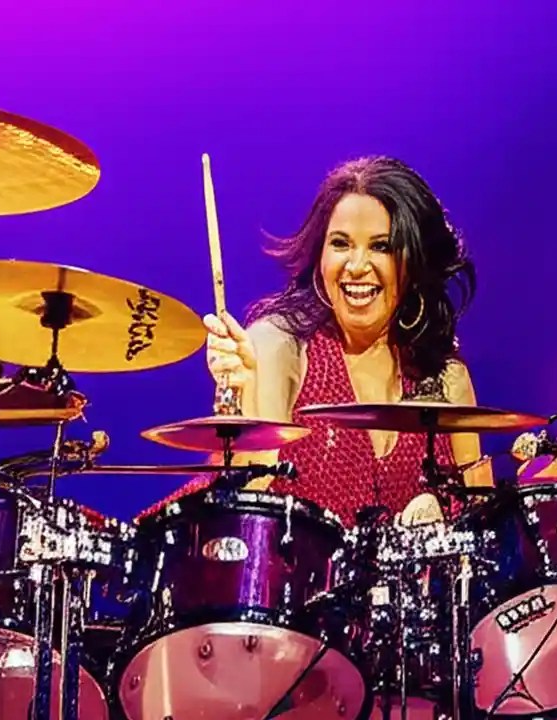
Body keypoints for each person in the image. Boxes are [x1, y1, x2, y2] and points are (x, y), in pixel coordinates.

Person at [163, 155, 491, 525]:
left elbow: (480, 527)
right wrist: (237, 405)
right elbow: (242, 509)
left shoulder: (446, 377)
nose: (356, 265)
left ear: (415, 263)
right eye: (341, 243)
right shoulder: (279, 346)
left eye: (381, 246)